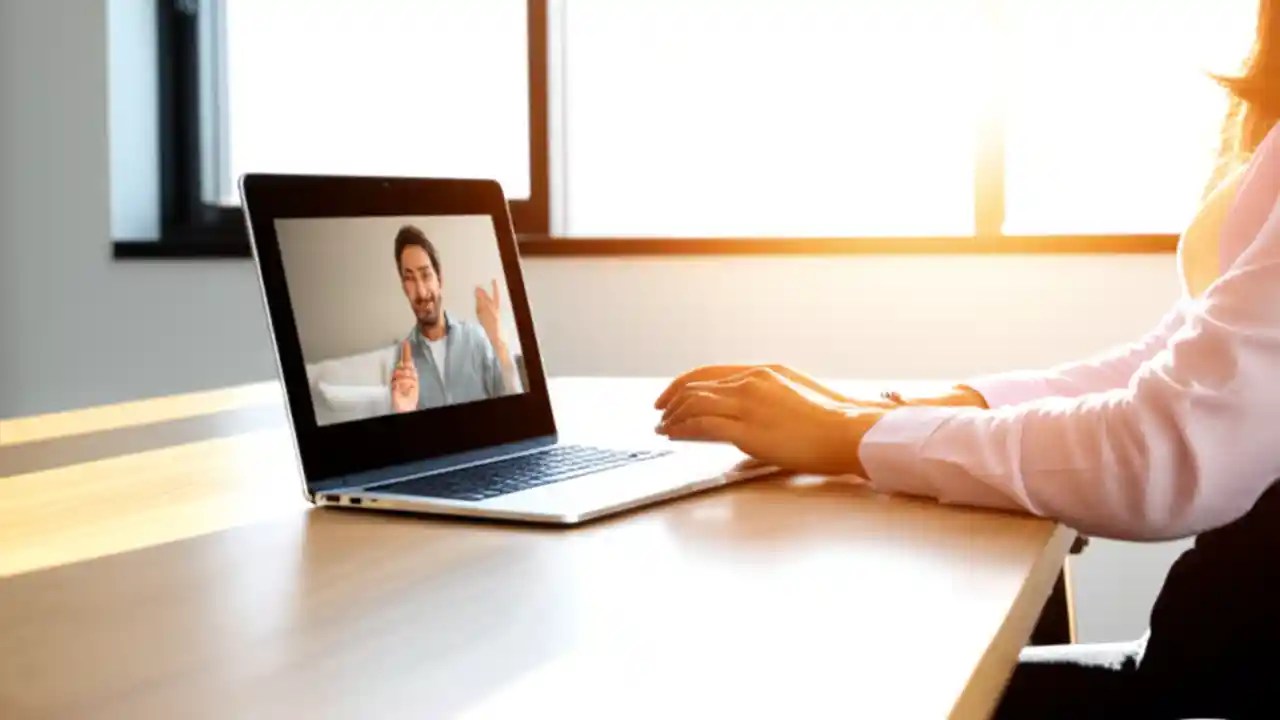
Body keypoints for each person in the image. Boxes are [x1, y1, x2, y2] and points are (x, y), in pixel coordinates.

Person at [656, 2, 1280, 717]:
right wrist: (887, 414)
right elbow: (1176, 359)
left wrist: (850, 436)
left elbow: (1163, 450)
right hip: (1209, 657)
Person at [388, 225, 518, 411]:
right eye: (410, 279)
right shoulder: (401, 361)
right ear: (404, 288)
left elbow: (515, 409)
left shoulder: (476, 339)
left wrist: (498, 340)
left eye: (425, 275)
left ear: (439, 279)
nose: (421, 291)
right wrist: (402, 412)